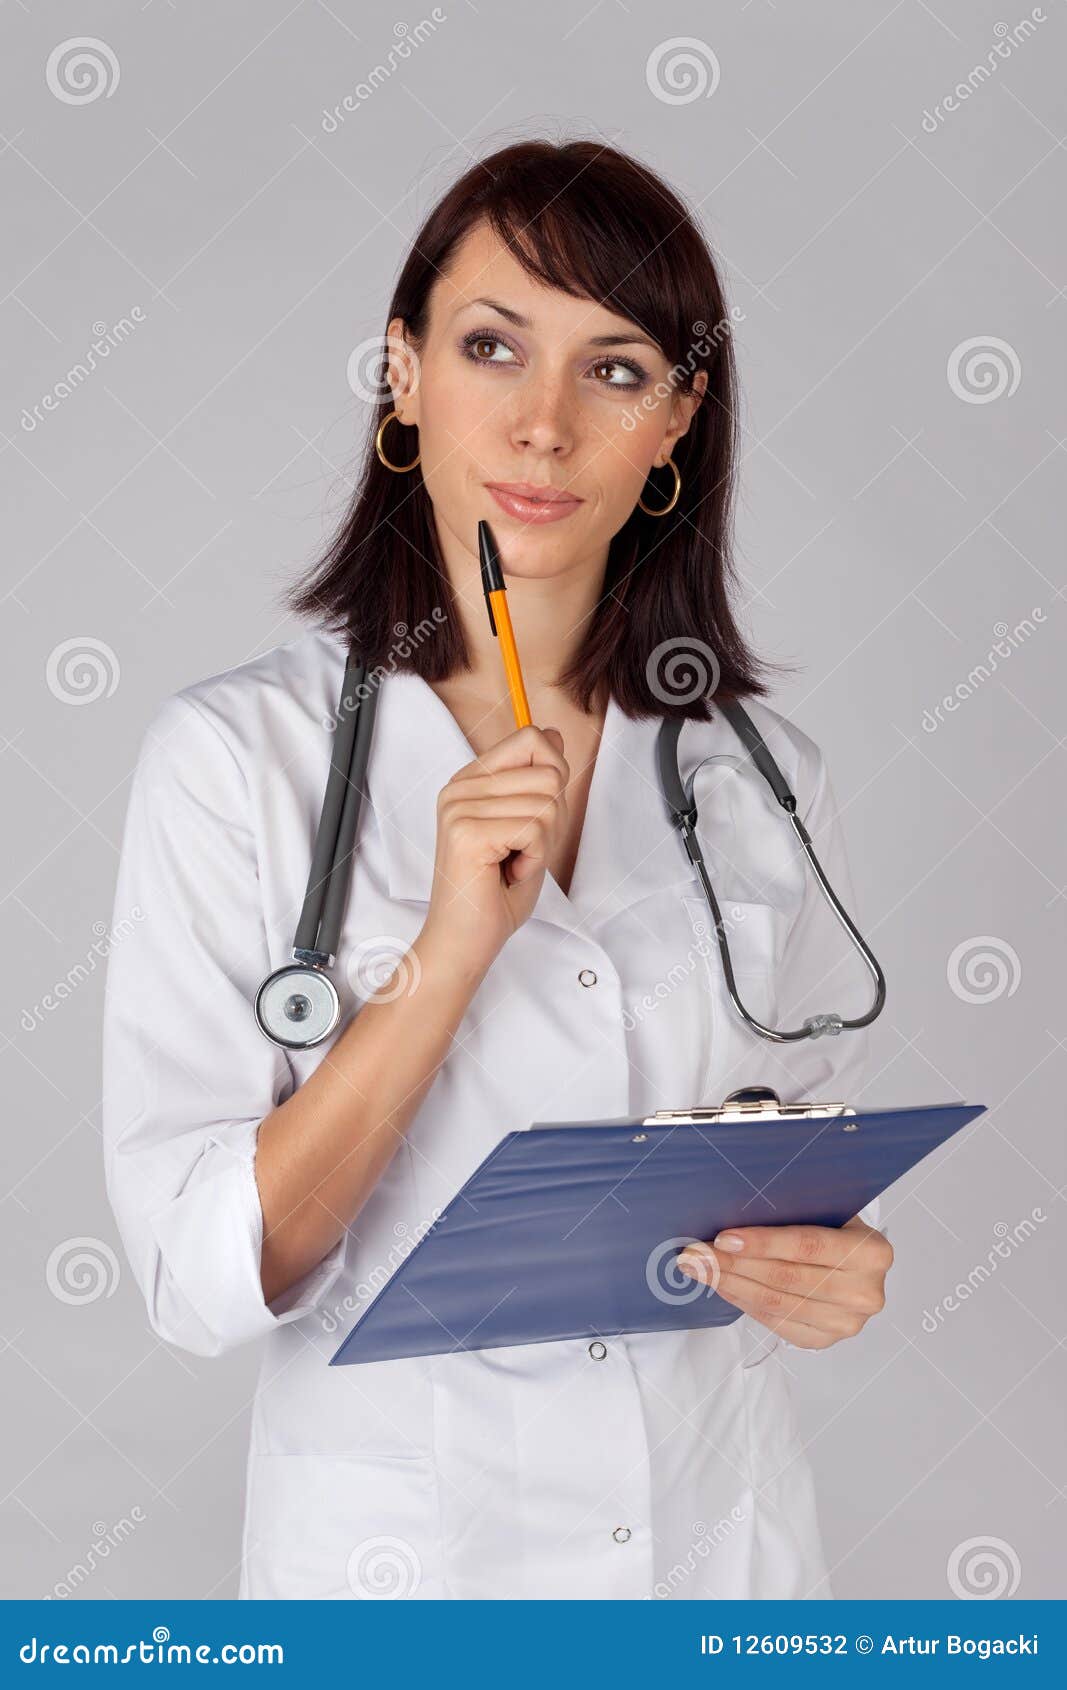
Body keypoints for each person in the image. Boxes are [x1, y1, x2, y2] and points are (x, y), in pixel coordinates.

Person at [101, 138, 893, 1601]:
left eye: (614, 369)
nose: (542, 427)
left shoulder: (762, 777)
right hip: (406, 1576)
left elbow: (791, 1161)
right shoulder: (237, 761)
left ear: (677, 421)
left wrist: (825, 1272)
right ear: (400, 374)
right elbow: (199, 1273)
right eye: (489, 347)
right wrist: (451, 947)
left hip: (713, 1560)